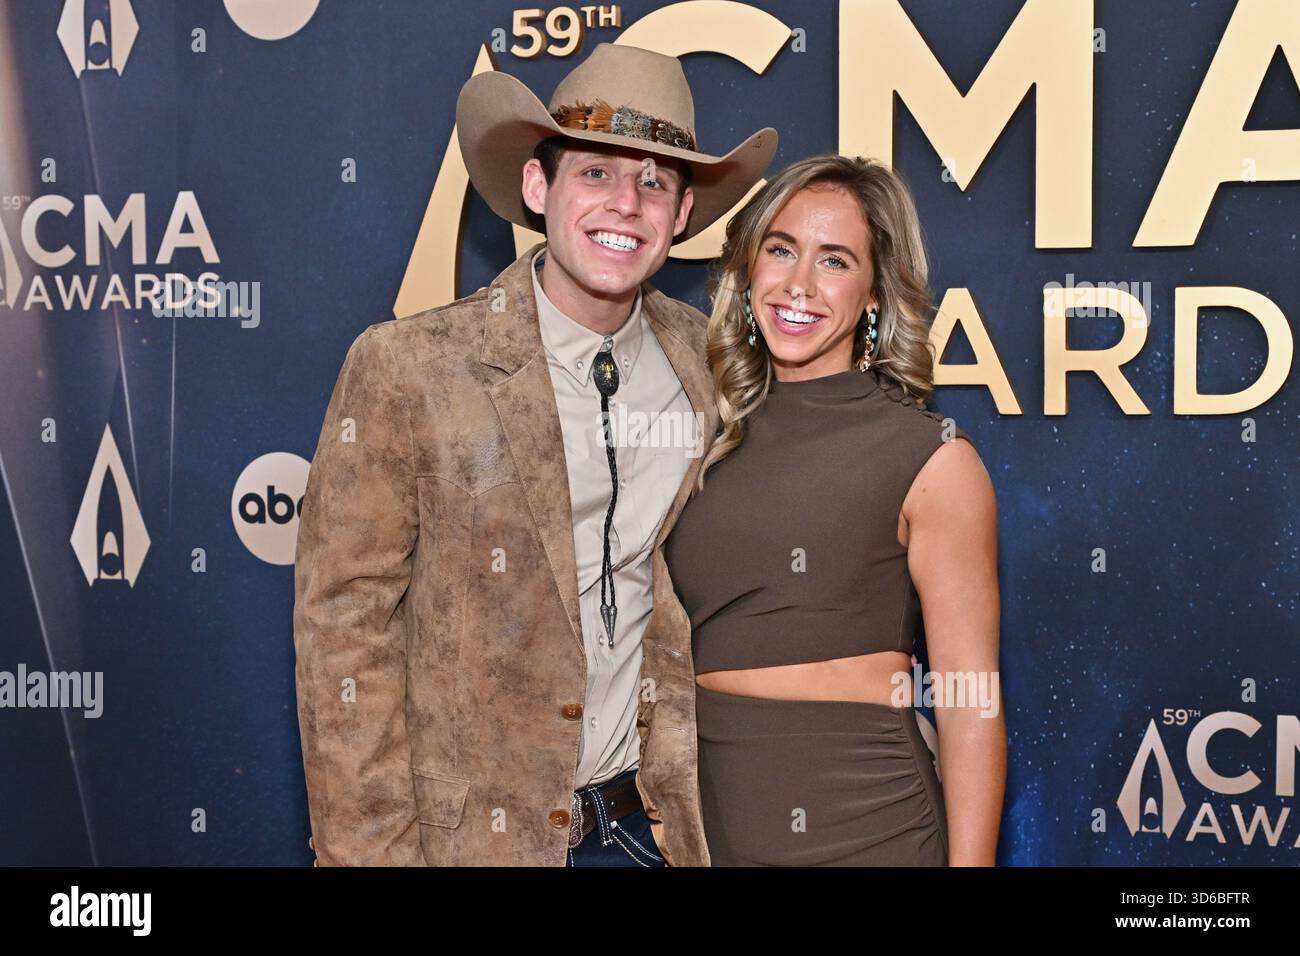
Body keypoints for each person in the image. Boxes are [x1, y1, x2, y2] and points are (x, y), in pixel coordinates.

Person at [291, 42, 777, 866]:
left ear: (684, 215)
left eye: (655, 181)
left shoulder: (709, 363)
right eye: (596, 173)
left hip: (644, 835)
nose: (627, 203)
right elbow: (344, 633)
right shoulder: (407, 367)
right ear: (536, 186)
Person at [663, 154, 1006, 865]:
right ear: (748, 267)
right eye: (781, 250)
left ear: (876, 294)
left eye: (835, 261)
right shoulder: (697, 432)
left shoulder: (933, 457)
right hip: (707, 824)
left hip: (867, 823)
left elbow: (970, 700)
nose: (798, 285)